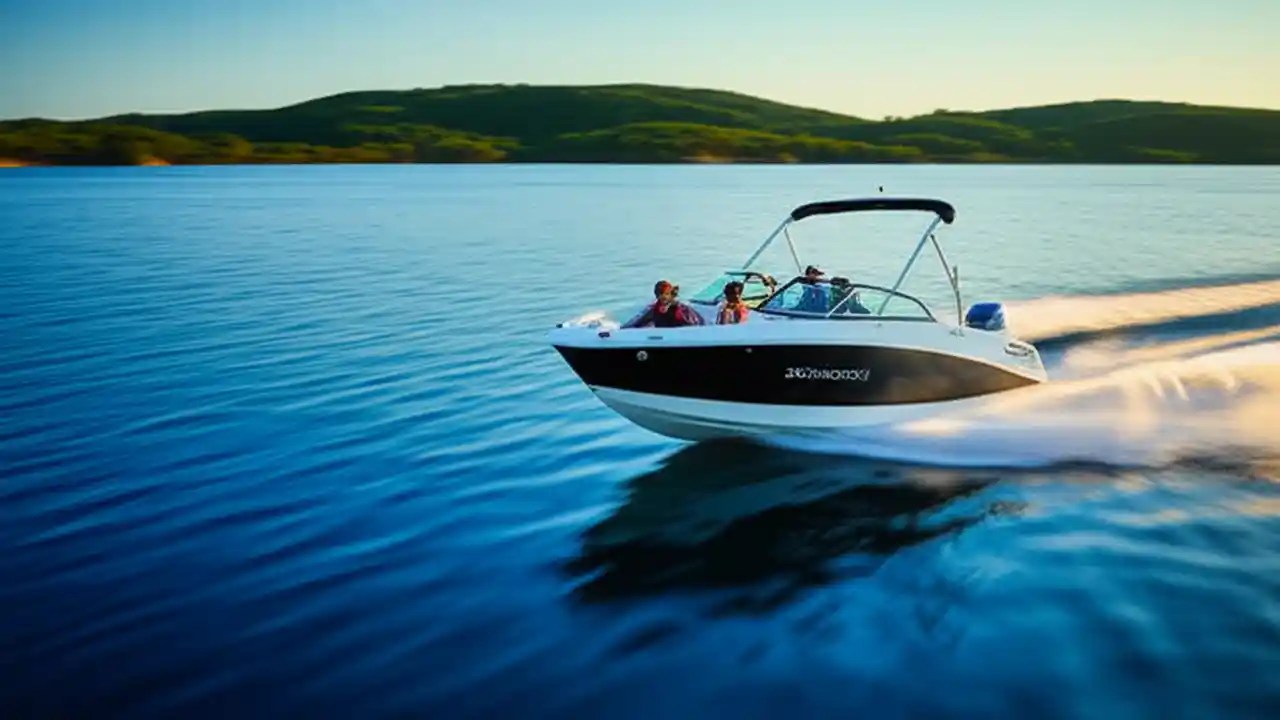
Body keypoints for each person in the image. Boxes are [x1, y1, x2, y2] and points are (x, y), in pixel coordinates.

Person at [623, 280, 705, 328]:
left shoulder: (681, 309)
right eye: (660, 294)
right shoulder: (654, 309)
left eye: (666, 294)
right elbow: (638, 323)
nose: (663, 297)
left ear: (671, 295)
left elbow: (696, 325)